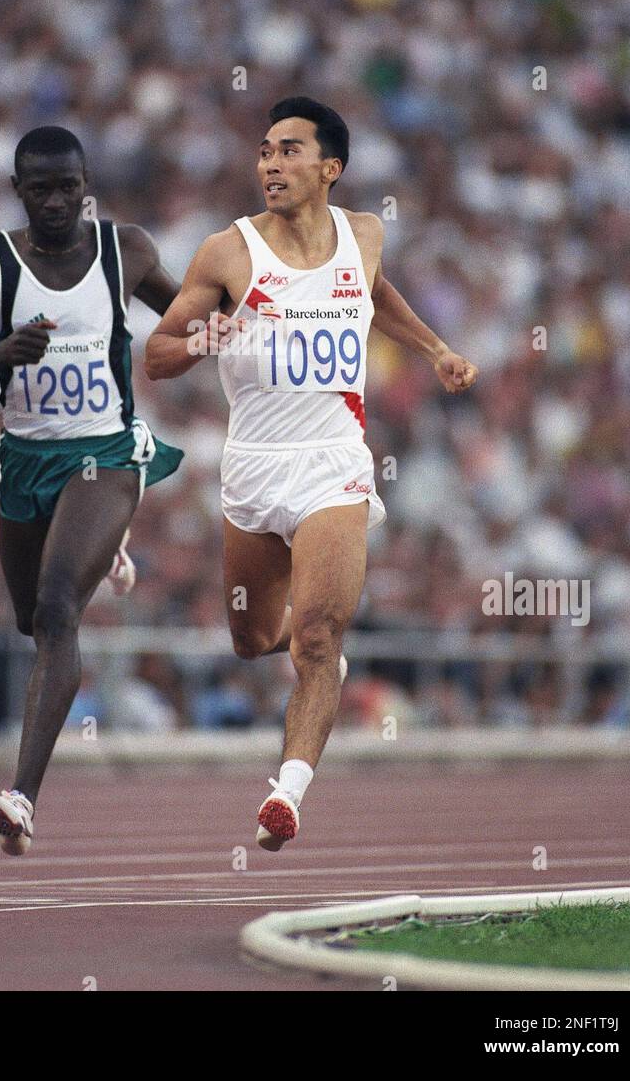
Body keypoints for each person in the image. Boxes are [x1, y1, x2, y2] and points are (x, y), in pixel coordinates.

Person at [145, 97, 478, 849]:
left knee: (316, 642)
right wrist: (206, 335)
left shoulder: (364, 234)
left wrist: (434, 350)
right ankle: (311, 637)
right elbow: (156, 358)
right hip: (253, 470)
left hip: (333, 464)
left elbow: (374, 291)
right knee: (251, 636)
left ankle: (286, 794)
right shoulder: (226, 252)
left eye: (289, 151)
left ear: (330, 167)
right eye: (264, 151)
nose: (270, 164)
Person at [0, 125, 183, 855]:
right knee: (29, 622)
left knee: (57, 607)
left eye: (66, 186)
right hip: (24, 459)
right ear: (17, 191)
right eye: (38, 189)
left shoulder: (123, 250)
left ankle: (21, 797)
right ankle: (105, 548)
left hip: (105, 453)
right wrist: (0, 355)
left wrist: (251, 328)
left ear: (85, 184)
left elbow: (192, 316)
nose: (53, 201)